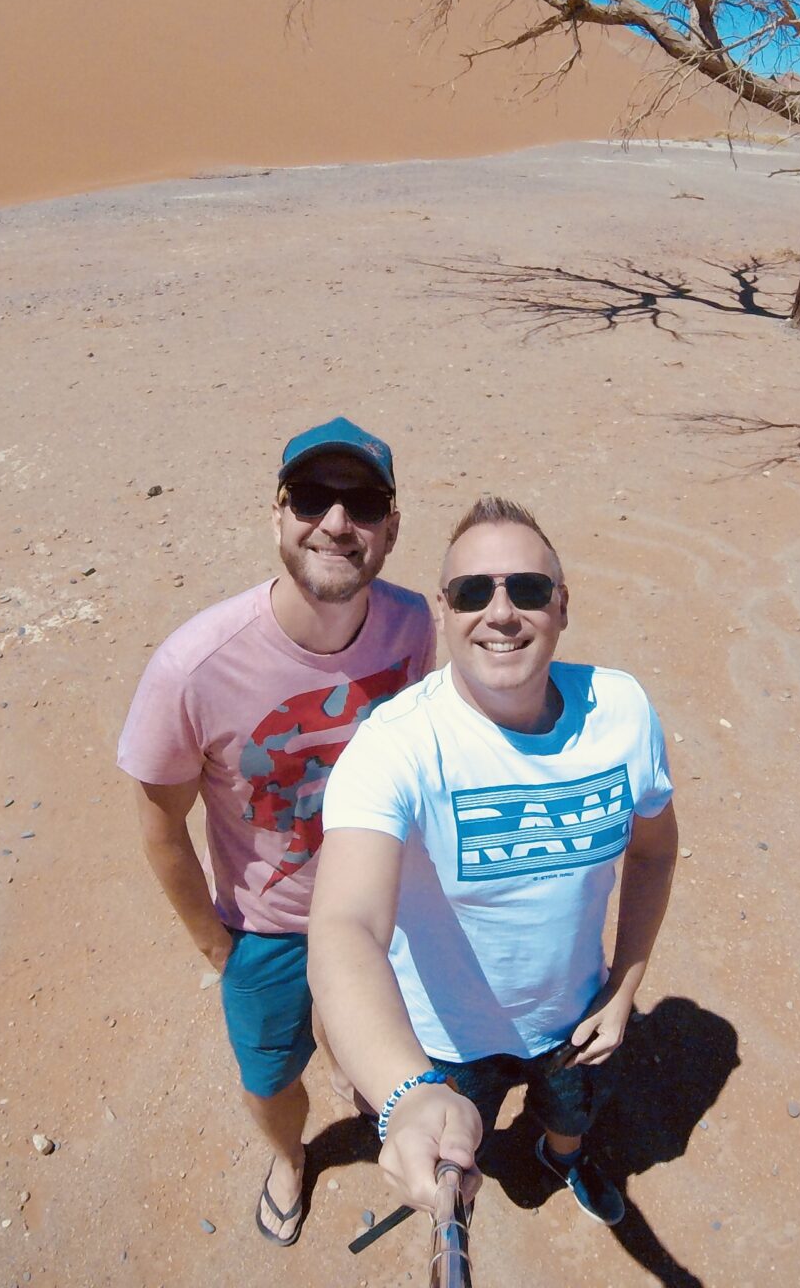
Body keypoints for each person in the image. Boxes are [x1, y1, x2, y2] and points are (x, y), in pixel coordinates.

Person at [311, 496, 680, 1227]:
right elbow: (344, 925)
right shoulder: (396, 746)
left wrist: (624, 985)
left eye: (529, 589)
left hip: (573, 1018)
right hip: (442, 1044)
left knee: (571, 1116)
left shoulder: (623, 712)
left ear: (563, 607)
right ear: (443, 613)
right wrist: (407, 1091)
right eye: (474, 592)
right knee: (455, 1152)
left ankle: (560, 1158)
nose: (502, 612)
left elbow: (655, 851)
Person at [116, 417, 435, 1247]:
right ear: (277, 514)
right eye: (313, 499)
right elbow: (160, 828)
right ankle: (291, 1159)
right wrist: (220, 952)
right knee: (269, 1080)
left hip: (382, 909)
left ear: (391, 528)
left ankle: (355, 1062)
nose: (336, 522)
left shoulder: (414, 626)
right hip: (268, 928)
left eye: (362, 503)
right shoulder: (194, 668)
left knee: (377, 1041)